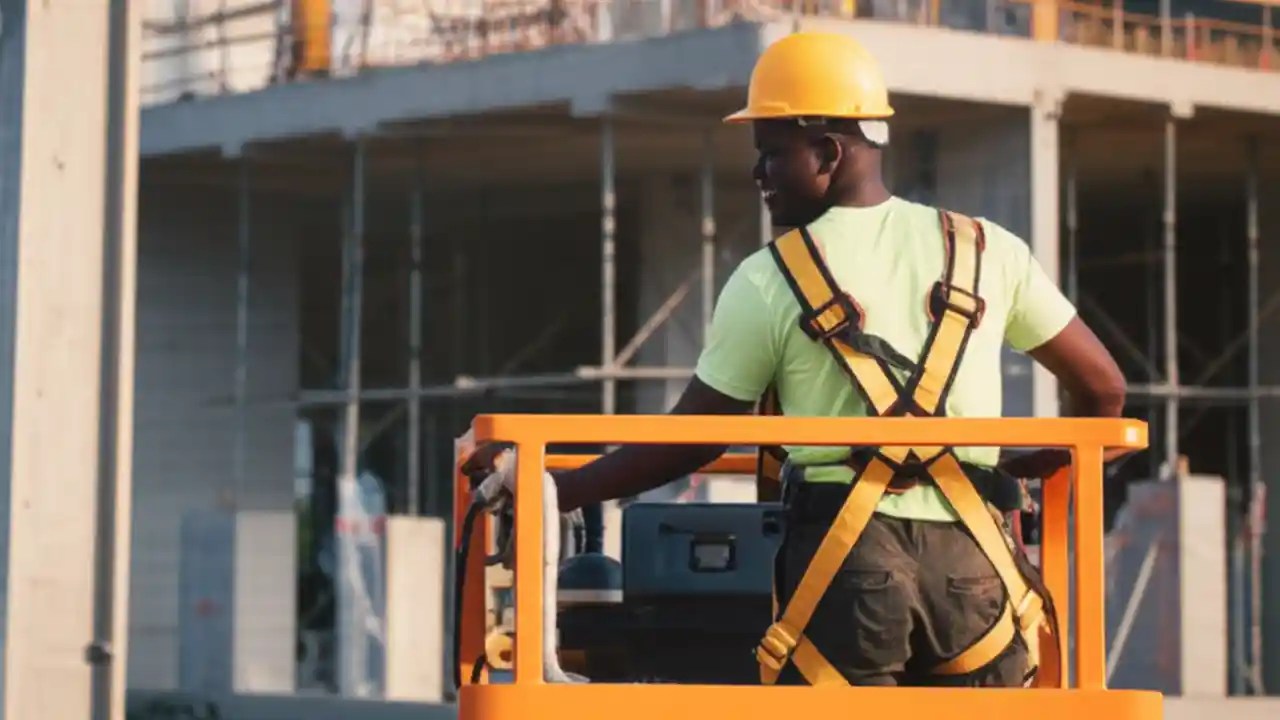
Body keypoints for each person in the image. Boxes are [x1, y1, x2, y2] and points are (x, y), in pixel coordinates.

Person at [466, 31, 1126, 688]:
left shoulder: (771, 279)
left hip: (848, 567)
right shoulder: (988, 251)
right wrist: (1045, 466)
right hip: (978, 567)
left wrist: (554, 488)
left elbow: (694, 437)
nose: (759, 174)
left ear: (829, 152)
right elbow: (1104, 391)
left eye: (772, 153)